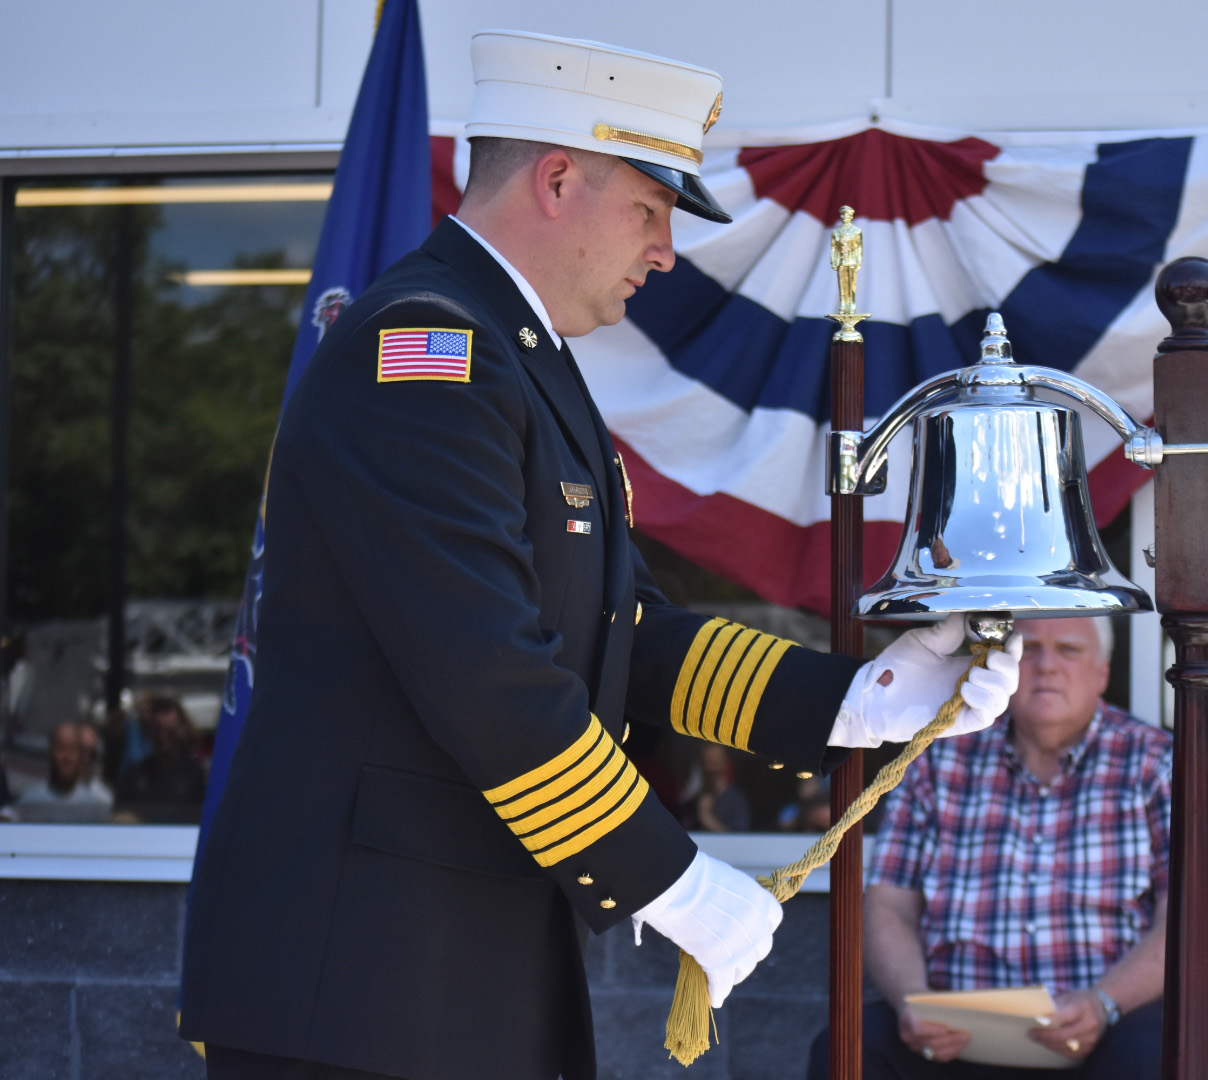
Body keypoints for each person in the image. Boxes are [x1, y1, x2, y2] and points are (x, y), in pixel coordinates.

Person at [180, 30, 1023, 1080]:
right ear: (558, 178)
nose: (667, 248)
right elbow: (487, 674)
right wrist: (670, 880)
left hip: (444, 975)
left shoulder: (522, 360)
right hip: (362, 982)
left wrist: (859, 699)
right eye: (651, 207)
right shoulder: (425, 359)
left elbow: (627, 628)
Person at [818, 615, 1172, 1080]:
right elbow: (888, 905)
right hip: (954, 1037)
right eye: (1031, 651)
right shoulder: (938, 760)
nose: (1046, 666)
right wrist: (912, 1001)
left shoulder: (1157, 762)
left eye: (1069, 649)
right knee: (846, 1046)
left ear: (1103, 672)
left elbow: (1190, 919)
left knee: (1158, 1049)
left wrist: (1104, 1002)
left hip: (1104, 1032)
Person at [116, 693, 206, 823]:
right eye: (157, 730)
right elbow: (120, 813)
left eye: (169, 731)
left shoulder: (195, 775)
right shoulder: (137, 774)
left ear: (180, 730)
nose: (162, 736)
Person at [14, 720, 113, 824]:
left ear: (80, 755)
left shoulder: (97, 810)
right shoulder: (28, 805)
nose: (67, 757)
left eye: (72, 749)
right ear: (51, 752)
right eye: (61, 748)